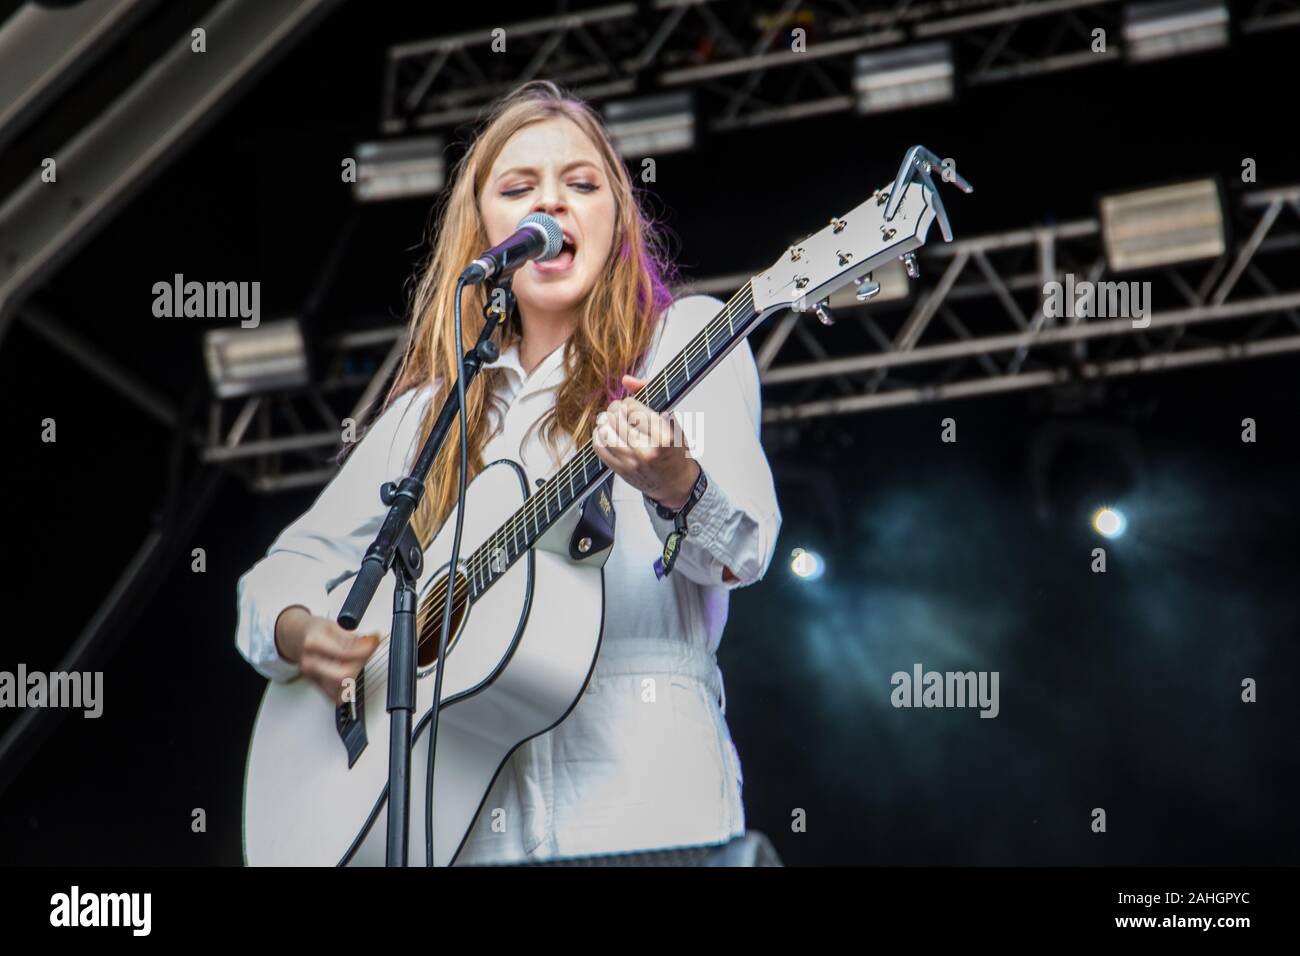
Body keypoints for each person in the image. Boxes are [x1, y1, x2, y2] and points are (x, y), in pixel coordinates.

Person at [234, 80, 781, 864]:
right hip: (464, 834)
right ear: (485, 230)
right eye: (520, 189)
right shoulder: (432, 414)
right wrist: (304, 633)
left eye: (582, 186)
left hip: (646, 813)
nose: (550, 208)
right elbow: (276, 576)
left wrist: (673, 481)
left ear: (616, 219)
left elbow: (740, 550)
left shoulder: (679, 344)